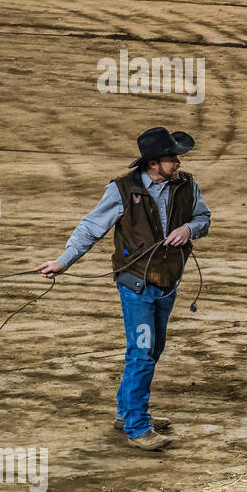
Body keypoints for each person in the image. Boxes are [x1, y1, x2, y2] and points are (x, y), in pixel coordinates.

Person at [36, 128, 211, 450]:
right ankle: (137, 427)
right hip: (135, 284)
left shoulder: (187, 184)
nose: (178, 162)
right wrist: (64, 262)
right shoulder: (121, 189)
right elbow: (91, 228)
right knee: (143, 353)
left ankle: (127, 412)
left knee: (151, 350)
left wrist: (189, 228)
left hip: (168, 281)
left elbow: (203, 217)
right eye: (172, 157)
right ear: (153, 163)